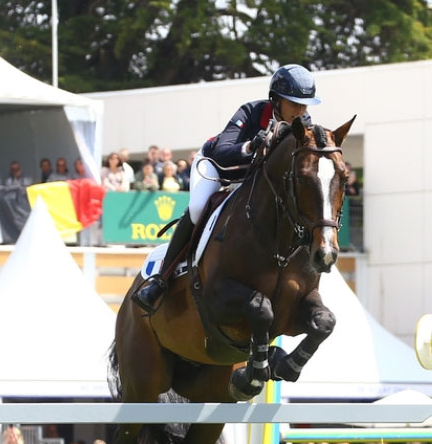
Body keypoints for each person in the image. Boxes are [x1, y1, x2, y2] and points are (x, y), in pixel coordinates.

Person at [132, 64, 320, 312]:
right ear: (276, 100)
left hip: (250, 178)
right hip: (217, 167)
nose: (300, 111)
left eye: (304, 105)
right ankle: (160, 279)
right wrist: (251, 147)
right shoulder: (251, 112)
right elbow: (222, 150)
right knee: (199, 207)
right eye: (294, 103)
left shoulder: (303, 122)